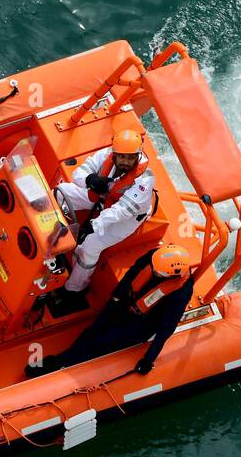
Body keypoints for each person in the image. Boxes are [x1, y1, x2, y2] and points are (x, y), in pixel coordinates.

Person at [26, 243, 194, 379]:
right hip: (124, 302)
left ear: (173, 275)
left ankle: (59, 365)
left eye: (158, 273)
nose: (154, 271)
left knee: (102, 342)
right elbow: (133, 272)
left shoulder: (180, 293)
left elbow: (167, 328)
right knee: (94, 330)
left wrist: (148, 359)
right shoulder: (156, 257)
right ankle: (63, 359)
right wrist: (116, 297)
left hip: (141, 323)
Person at [55, 128, 156, 294]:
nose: (125, 161)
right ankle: (48, 237)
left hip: (127, 217)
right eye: (122, 156)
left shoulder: (145, 181)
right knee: (61, 192)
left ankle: (74, 288)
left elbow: (120, 211)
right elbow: (78, 173)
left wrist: (93, 225)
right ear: (114, 153)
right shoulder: (104, 155)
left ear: (137, 156)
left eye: (130, 158)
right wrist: (89, 180)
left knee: (90, 246)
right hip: (103, 198)